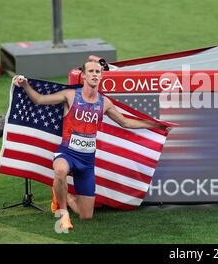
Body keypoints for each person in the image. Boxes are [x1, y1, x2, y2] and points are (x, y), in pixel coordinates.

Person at [13, 59, 169, 230]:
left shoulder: (105, 103)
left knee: (86, 215)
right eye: (91, 71)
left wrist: (155, 125)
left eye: (98, 72)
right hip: (67, 153)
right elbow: (40, 99)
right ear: (84, 75)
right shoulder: (70, 95)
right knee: (60, 170)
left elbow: (126, 123)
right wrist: (26, 85)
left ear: (101, 76)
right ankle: (63, 214)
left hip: (87, 162)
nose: (95, 74)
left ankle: (65, 195)